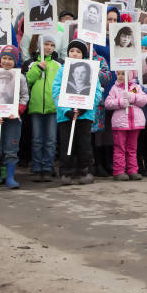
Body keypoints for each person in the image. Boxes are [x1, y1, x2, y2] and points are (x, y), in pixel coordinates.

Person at [53, 39, 104, 185]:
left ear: (83, 55)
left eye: (78, 51)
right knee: (66, 144)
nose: (74, 54)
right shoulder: (62, 70)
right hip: (66, 116)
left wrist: (85, 108)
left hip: (85, 115)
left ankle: (86, 170)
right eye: (72, 51)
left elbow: (96, 92)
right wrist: (66, 110)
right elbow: (56, 91)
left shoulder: (91, 70)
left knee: (84, 144)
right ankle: (66, 172)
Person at [0, 45, 28, 189]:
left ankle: (10, 178)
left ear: (16, 61)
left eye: (11, 59)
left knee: (11, 149)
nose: (7, 61)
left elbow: (24, 96)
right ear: (0, 59)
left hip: (13, 120)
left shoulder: (20, 77)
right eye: (5, 58)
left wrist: (17, 110)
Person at [26, 34, 61, 182]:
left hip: (52, 108)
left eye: (52, 45)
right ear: (40, 45)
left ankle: (47, 168)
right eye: (46, 44)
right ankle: (36, 168)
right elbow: (26, 81)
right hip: (36, 107)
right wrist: (38, 68)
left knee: (51, 140)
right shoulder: (32, 64)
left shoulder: (58, 65)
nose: (49, 47)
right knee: (37, 140)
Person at [104, 69, 147, 181]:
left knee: (132, 148)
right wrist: (120, 102)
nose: (120, 76)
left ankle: (132, 170)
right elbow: (107, 103)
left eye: (123, 74)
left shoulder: (135, 87)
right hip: (120, 123)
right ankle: (119, 171)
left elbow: (144, 99)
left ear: (130, 75)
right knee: (120, 147)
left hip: (135, 122)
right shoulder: (115, 88)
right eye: (118, 74)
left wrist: (132, 97)